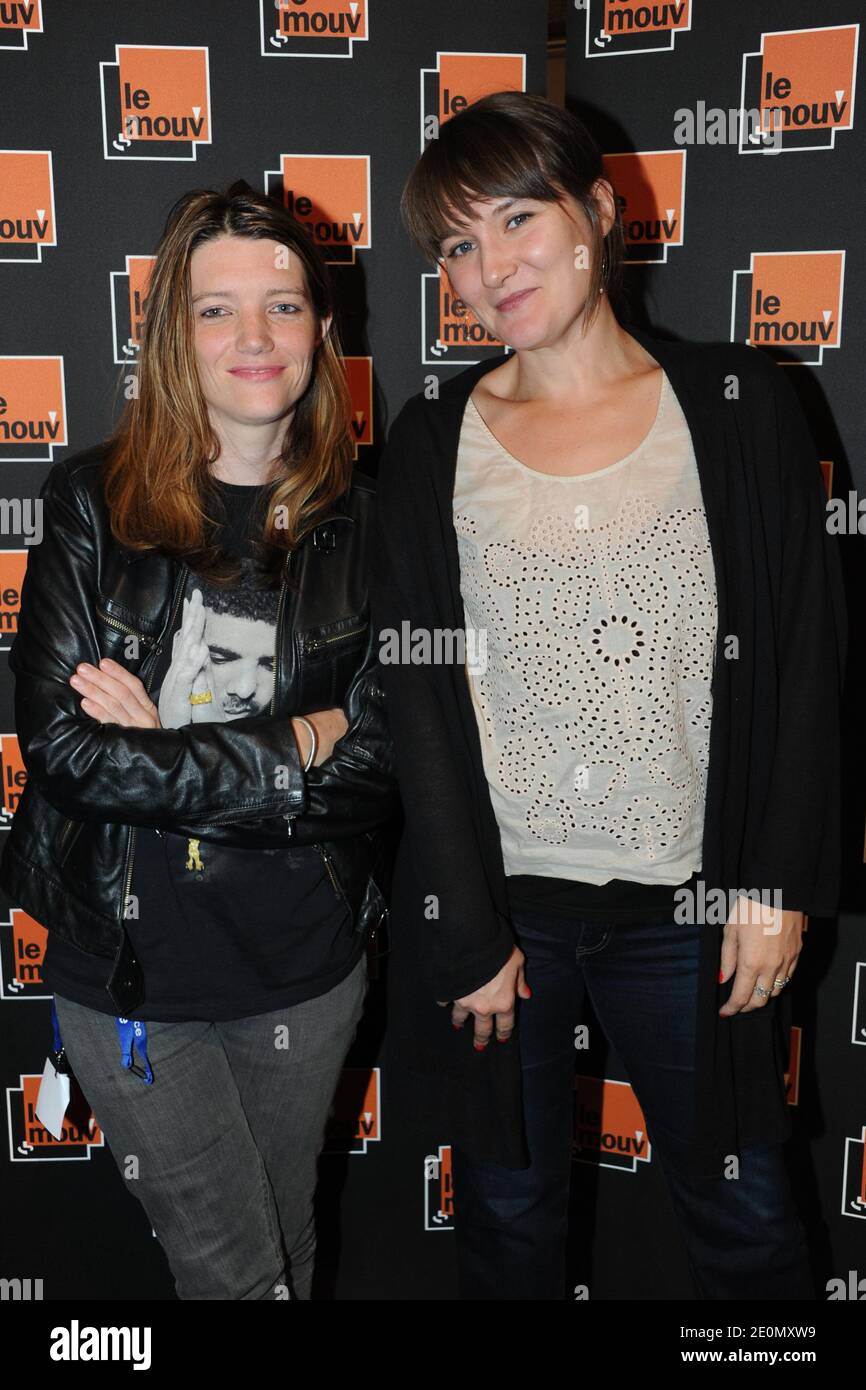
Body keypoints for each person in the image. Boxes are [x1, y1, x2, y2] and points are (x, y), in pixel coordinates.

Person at [371, 92, 846, 1300]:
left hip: (693, 907)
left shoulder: (740, 406)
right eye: (456, 247)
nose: (488, 269)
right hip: (507, 914)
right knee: (507, 1232)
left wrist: (776, 884)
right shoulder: (432, 437)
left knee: (747, 1230)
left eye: (515, 220)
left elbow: (802, 656)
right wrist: (463, 926)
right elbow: (418, 696)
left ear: (596, 211)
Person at [0, 180, 396, 1300]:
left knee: (287, 1241)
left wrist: (163, 750)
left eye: (280, 303)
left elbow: (378, 766)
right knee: (232, 1268)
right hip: (131, 978)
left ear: (323, 329)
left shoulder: (372, 522)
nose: (253, 335)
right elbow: (70, 755)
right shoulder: (90, 500)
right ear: (172, 333)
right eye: (215, 308)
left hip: (307, 972)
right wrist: (295, 742)